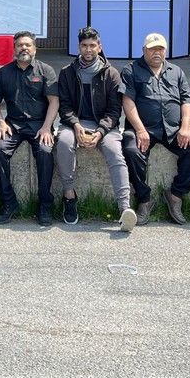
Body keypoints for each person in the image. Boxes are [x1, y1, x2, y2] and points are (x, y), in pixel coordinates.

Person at [56, 26, 135, 231]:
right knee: (64, 143)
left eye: (92, 45)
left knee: (115, 152)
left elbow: (114, 110)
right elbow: (64, 106)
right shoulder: (67, 73)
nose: (88, 49)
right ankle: (69, 195)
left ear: (99, 47)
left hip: (105, 126)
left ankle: (124, 208)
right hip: (74, 123)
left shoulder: (111, 74)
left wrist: (100, 131)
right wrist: (75, 125)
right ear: (78, 47)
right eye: (84, 45)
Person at [121, 33, 190, 227]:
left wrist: (185, 126)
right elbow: (128, 101)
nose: (157, 53)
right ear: (144, 50)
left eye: (160, 49)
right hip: (144, 128)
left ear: (165, 51)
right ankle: (144, 199)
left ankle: (175, 195)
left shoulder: (176, 71)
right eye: (152, 49)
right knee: (131, 150)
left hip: (174, 129)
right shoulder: (131, 70)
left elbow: (186, 100)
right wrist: (140, 130)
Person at [0, 31, 60, 226]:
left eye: (28, 45)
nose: (24, 48)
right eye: (20, 45)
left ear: (35, 49)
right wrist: (1, 123)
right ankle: (8, 203)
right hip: (13, 124)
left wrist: (47, 127)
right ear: (14, 49)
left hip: (40, 125)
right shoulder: (4, 73)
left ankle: (45, 204)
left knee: (46, 152)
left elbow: (54, 101)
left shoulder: (46, 71)